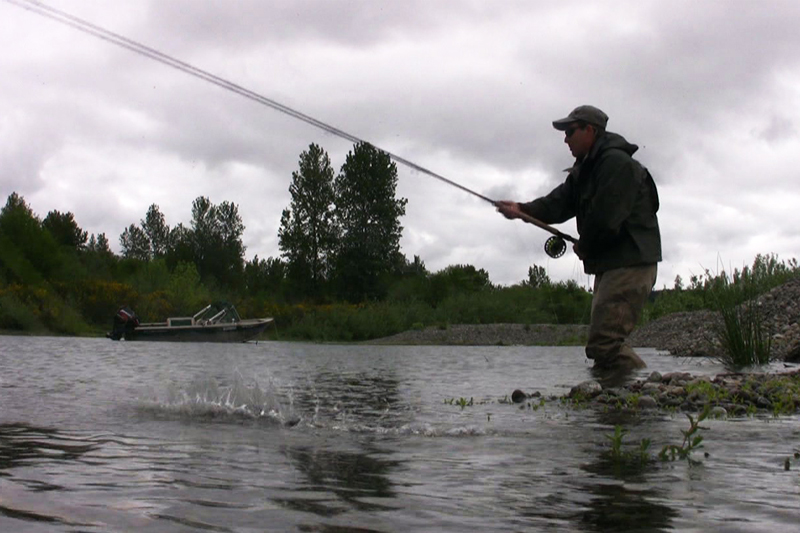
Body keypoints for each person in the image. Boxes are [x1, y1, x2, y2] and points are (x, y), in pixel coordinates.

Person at [496, 105, 661, 375]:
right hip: (613, 264)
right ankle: (614, 400)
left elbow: (606, 219)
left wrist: (584, 247)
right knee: (602, 345)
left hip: (631, 263)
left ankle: (646, 390)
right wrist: (522, 210)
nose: (565, 138)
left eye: (570, 131)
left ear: (590, 131)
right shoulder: (585, 169)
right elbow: (558, 203)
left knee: (605, 344)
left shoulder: (617, 165)